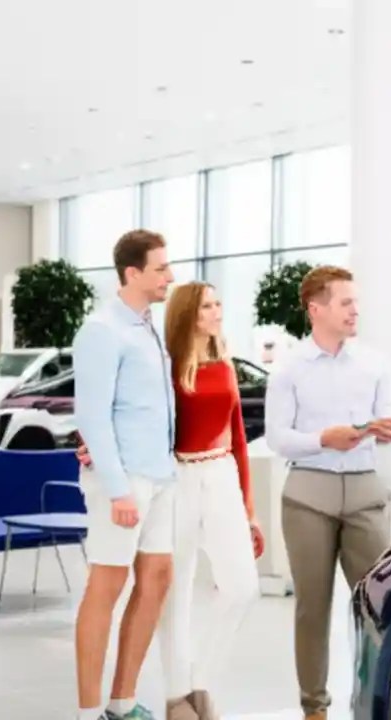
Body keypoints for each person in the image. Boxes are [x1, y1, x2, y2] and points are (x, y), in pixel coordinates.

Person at [78, 280, 265, 720]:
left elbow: (238, 436)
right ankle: (178, 698)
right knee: (174, 593)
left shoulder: (227, 365)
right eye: (207, 307)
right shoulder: (168, 364)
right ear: (187, 315)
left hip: (221, 475)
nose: (217, 312)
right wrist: (97, 446)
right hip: (177, 474)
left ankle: (200, 682)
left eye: (219, 303)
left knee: (242, 588)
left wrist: (250, 509)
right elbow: (133, 414)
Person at [264, 265, 391, 720]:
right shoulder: (289, 368)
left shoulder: (376, 362)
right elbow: (278, 437)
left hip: (365, 490)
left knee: (379, 607)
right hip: (309, 492)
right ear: (316, 309)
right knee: (313, 608)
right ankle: (314, 709)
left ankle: (378, 702)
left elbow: (385, 423)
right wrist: (325, 438)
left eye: (355, 302)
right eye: (346, 303)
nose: (354, 310)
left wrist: (382, 430)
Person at [73, 229, 177, 720]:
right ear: (132, 273)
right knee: (107, 585)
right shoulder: (101, 329)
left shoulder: (147, 326)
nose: (168, 276)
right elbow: (92, 416)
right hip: (125, 480)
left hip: (160, 474)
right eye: (160, 268)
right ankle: (89, 710)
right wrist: (117, 490)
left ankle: (122, 700)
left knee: (157, 577)